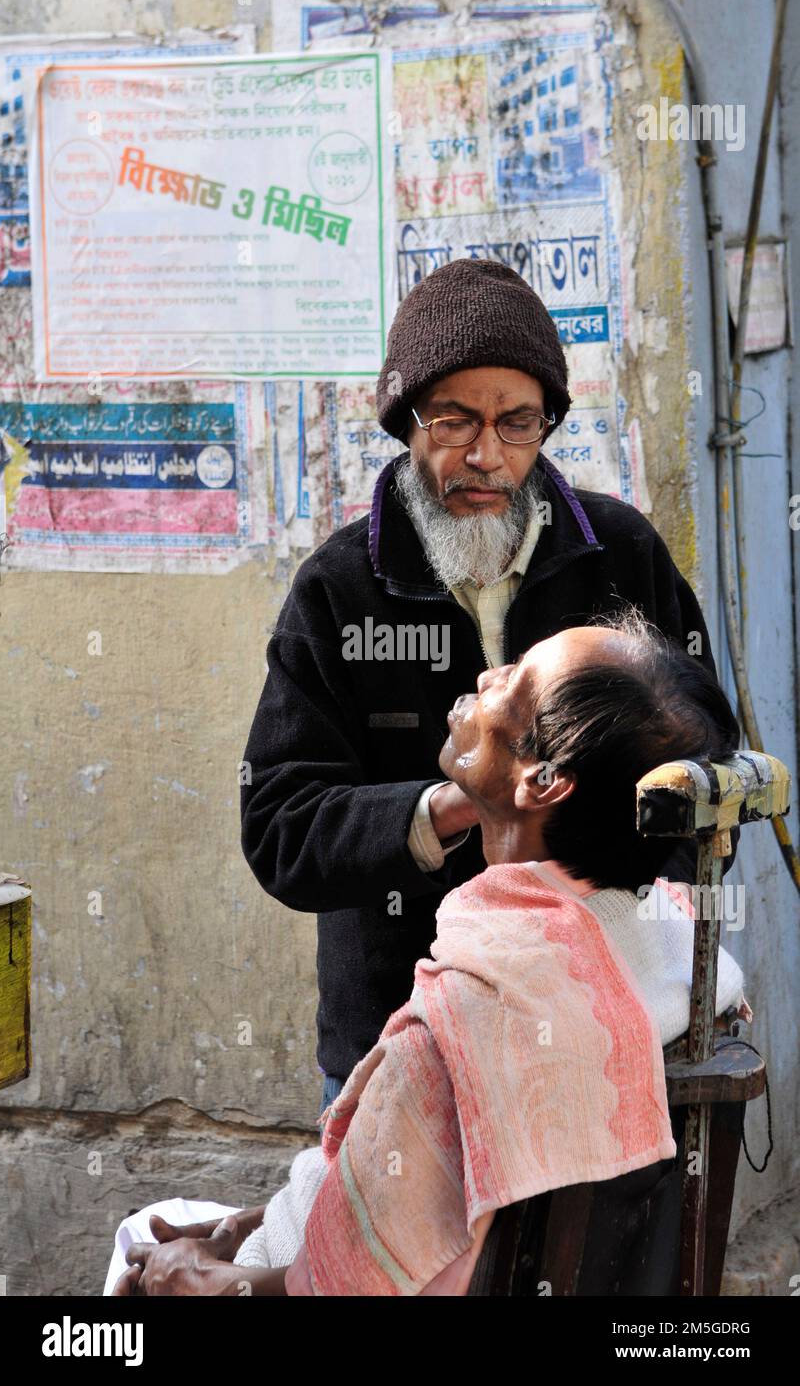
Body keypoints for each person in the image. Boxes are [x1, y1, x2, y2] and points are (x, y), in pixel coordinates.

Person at [108, 611, 749, 1297]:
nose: (485, 675)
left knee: (137, 1248)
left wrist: (206, 1278)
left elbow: (338, 1288)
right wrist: (246, 1225)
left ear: (541, 780)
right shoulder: (686, 953)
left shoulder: (463, 1025)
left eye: (515, 680)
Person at [239, 258, 740, 1117]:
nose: (485, 455)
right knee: (370, 1239)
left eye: (517, 423)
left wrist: (660, 953)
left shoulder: (618, 556)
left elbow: (700, 765)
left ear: (547, 425)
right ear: (406, 422)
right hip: (399, 1038)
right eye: (454, 419)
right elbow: (281, 829)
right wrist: (460, 803)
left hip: (604, 1023)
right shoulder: (337, 590)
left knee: (589, 1246)